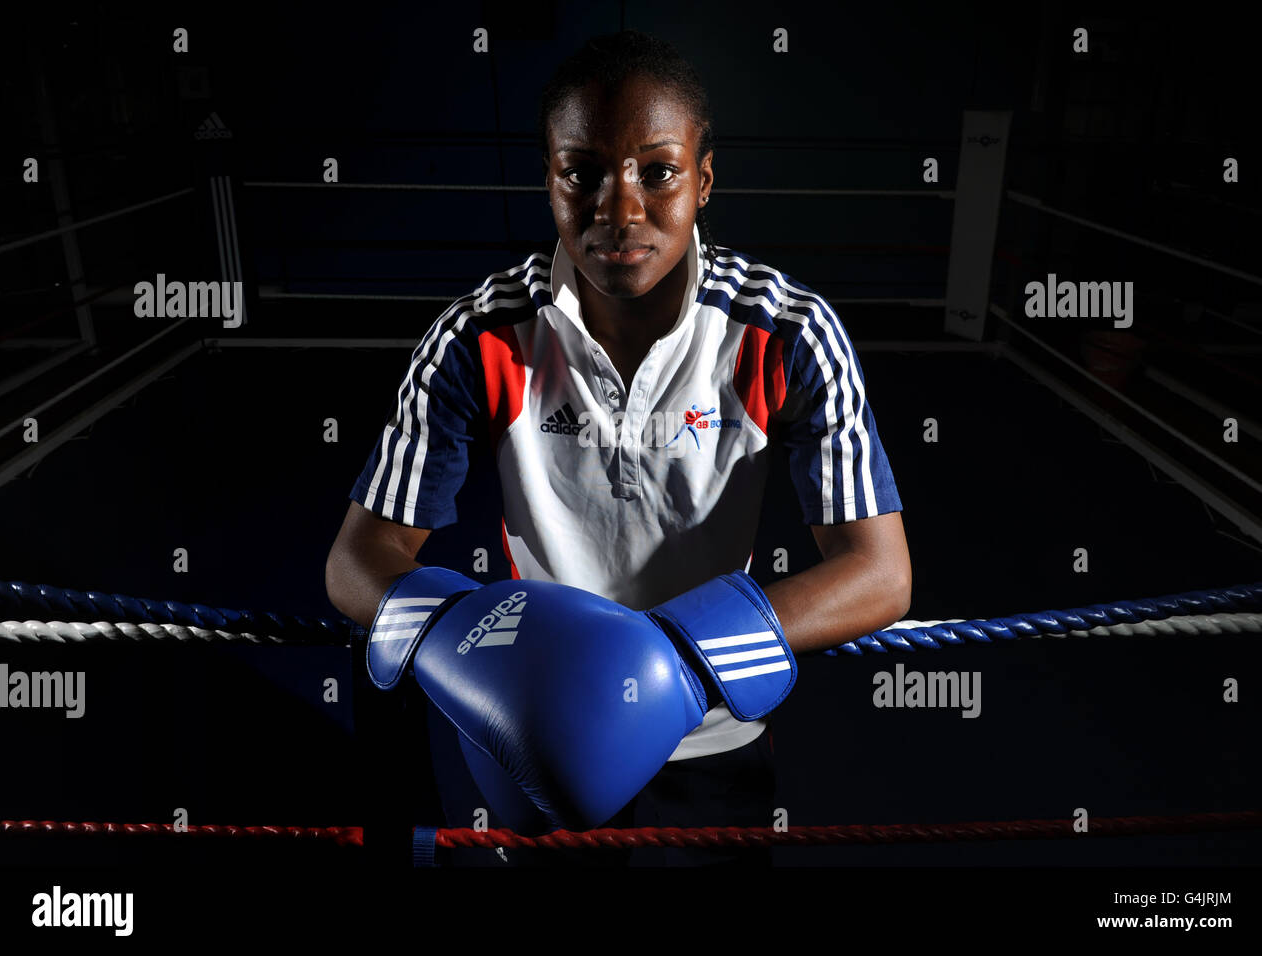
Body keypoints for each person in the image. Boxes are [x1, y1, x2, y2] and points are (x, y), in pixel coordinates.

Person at [326, 30, 911, 867]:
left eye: (657, 171)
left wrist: (671, 661)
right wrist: (469, 640)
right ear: (550, 181)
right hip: (530, 732)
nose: (619, 209)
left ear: (703, 179)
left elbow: (881, 572)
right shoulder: (477, 335)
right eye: (584, 173)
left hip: (710, 738)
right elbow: (357, 560)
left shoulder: (788, 331)